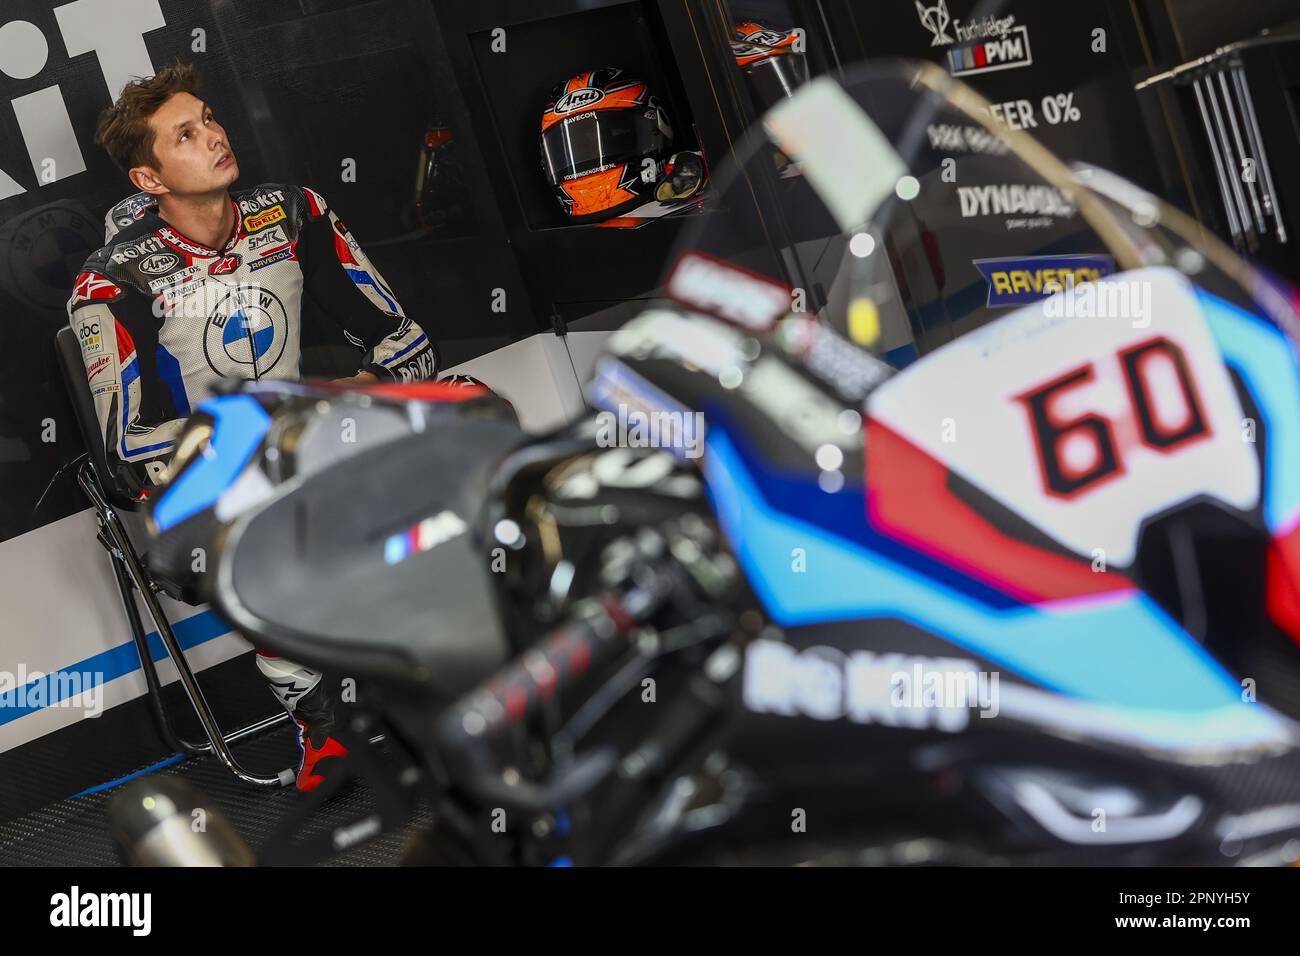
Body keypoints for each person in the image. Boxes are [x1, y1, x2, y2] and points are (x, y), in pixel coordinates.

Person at [67, 62, 439, 791]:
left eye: (209, 118)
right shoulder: (111, 282)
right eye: (186, 134)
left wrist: (339, 399)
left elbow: (406, 344)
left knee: (466, 402)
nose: (213, 136)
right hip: (196, 484)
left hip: (306, 440)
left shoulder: (291, 211)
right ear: (149, 179)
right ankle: (324, 734)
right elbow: (127, 449)